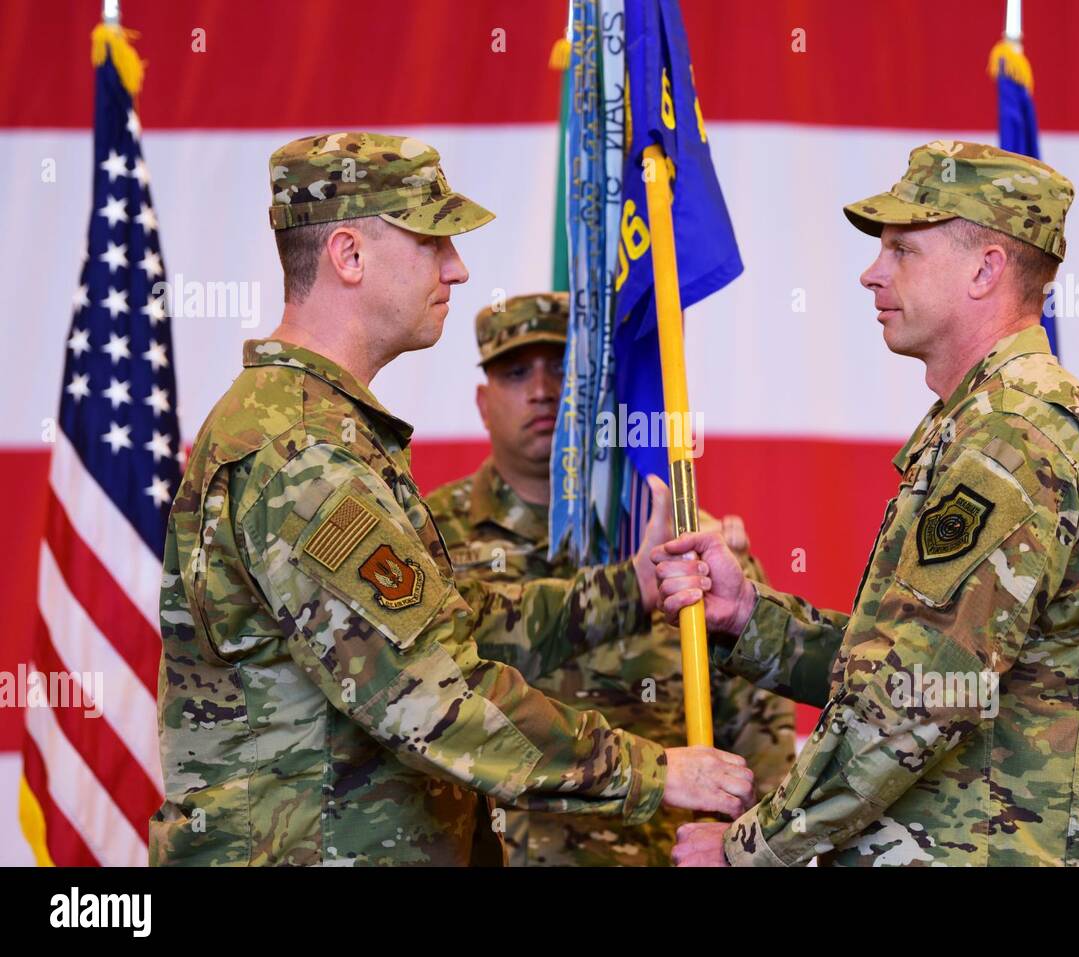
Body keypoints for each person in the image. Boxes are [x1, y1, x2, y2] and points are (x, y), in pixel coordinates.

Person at [151, 132, 752, 866]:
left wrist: (632, 589)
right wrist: (656, 770)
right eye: (432, 239)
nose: (458, 267)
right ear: (349, 255)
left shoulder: (314, 428)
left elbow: (450, 625)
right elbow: (432, 696)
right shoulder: (301, 450)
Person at [655, 141, 1079, 867]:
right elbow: (928, 669)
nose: (872, 272)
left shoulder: (1011, 437)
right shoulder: (989, 421)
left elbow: (913, 701)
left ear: (985, 268)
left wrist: (750, 848)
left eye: (903, 250)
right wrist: (751, 619)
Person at [425, 292, 796, 865]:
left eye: (565, 368)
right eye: (516, 371)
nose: (544, 390)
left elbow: (758, 746)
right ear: (482, 401)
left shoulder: (683, 545)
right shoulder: (429, 543)